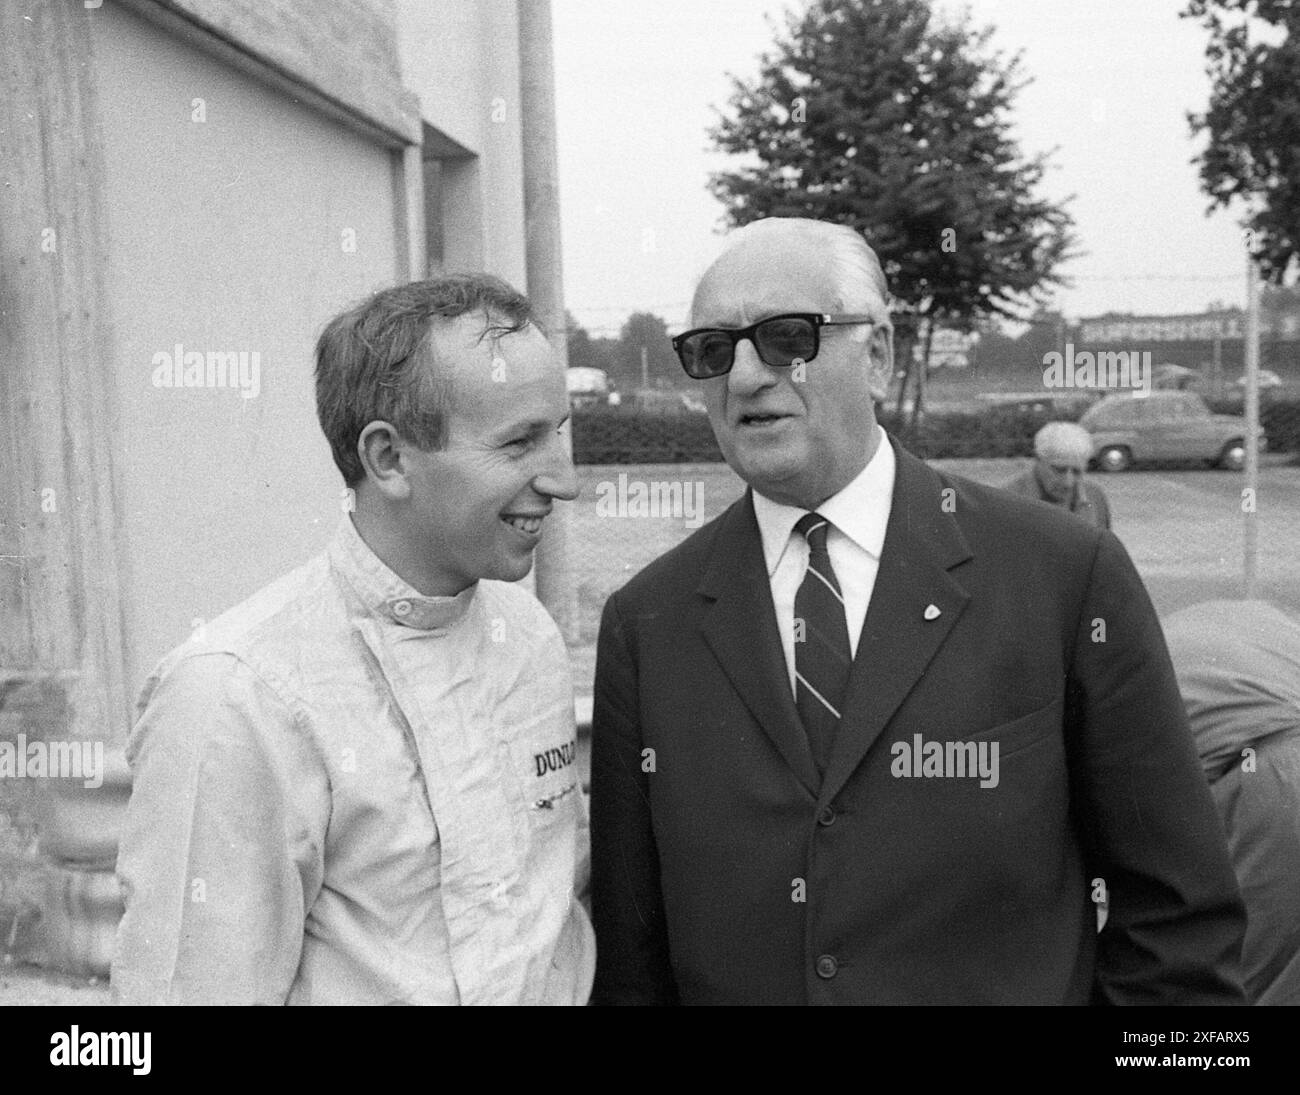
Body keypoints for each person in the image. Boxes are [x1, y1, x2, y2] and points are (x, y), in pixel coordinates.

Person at [589, 217, 1245, 1005]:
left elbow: (1180, 923)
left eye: (786, 336)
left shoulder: (1066, 576)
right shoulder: (646, 623)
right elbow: (633, 960)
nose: (746, 377)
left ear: (881, 354)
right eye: (712, 350)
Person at [112, 275, 594, 1005]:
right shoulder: (234, 697)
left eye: (557, 430)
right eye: (521, 442)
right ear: (388, 459)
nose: (564, 480)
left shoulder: (527, 637)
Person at [1165, 599, 1300, 1006]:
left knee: (1235, 986)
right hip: (1270, 760)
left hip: (1272, 781)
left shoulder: (1111, 680)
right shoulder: (1229, 615)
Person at [1002, 421, 1112, 529]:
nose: (1068, 482)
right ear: (1038, 460)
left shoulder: (1095, 497)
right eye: (1060, 470)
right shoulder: (1006, 501)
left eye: (1077, 472)